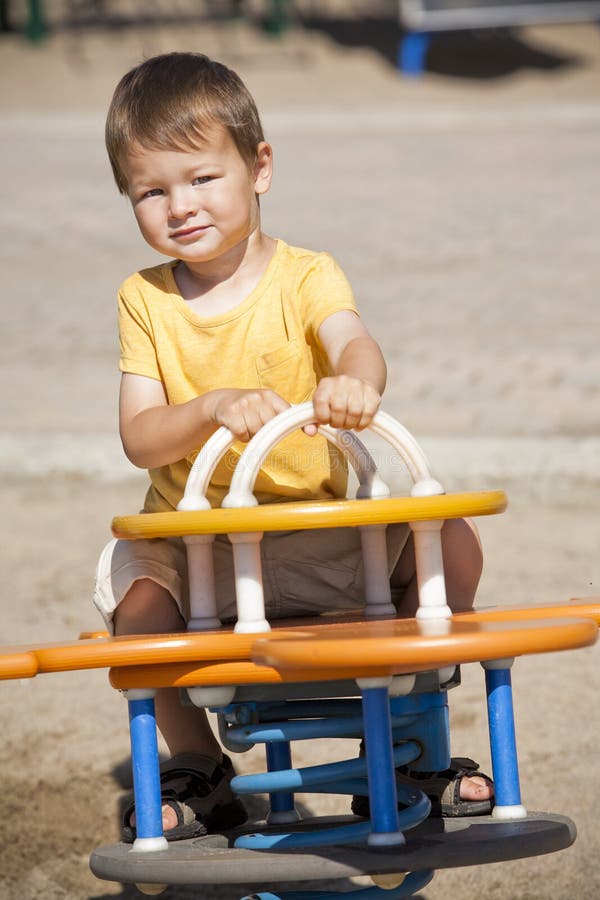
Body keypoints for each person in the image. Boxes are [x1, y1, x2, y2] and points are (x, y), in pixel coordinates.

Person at [94, 51, 493, 842]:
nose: (181, 206)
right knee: (137, 612)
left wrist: (355, 384)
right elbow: (140, 436)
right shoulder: (145, 298)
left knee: (454, 546)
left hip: (324, 533)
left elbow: (354, 342)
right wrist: (209, 406)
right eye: (152, 191)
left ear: (260, 168)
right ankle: (197, 766)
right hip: (204, 546)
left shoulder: (306, 275)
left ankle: (410, 741)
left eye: (202, 178)